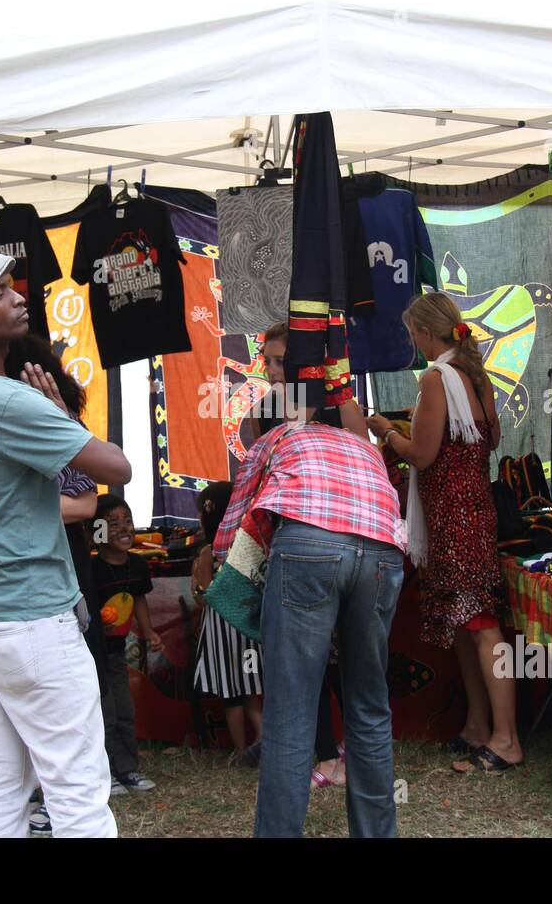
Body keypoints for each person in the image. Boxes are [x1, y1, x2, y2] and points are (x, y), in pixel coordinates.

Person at [0, 251, 130, 838]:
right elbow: (118, 467)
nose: (17, 298)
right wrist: (61, 413)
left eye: (12, 288)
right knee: (77, 786)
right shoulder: (8, 400)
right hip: (29, 616)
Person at [215, 417, 405, 837]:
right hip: (383, 552)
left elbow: (233, 522)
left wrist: (221, 565)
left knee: (290, 712)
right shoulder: (363, 445)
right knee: (370, 707)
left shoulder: (278, 436)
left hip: (308, 546)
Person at [367, 291, 522, 773]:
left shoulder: (436, 379)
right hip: (472, 509)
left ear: (427, 332)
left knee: (480, 625)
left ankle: (507, 740)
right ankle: (479, 727)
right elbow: (490, 440)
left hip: (455, 517)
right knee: (465, 623)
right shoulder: (476, 377)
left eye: (413, 332)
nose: (412, 341)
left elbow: (422, 455)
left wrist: (385, 431)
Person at [250, 320, 356, 788]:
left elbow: (363, 452)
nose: (271, 370)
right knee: (301, 653)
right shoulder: (264, 410)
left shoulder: (336, 403)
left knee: (347, 656)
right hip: (292, 542)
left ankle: (351, 752)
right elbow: (257, 477)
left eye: (280, 361)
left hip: (346, 540)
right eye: (268, 360)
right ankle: (321, 753)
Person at [91, 493, 161, 795]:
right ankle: (105, 772)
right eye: (112, 523)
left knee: (124, 709)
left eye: (127, 521)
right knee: (103, 713)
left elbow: (139, 599)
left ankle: (128, 769)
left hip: (117, 652)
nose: (123, 528)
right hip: (93, 654)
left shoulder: (137, 565)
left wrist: (148, 631)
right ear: (96, 532)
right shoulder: (91, 570)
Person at [191, 480, 264, 766]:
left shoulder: (210, 553)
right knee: (252, 687)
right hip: (247, 626)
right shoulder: (250, 547)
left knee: (230, 692)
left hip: (220, 629)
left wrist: (196, 584)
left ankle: (240, 748)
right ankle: (262, 737)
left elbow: (204, 595)